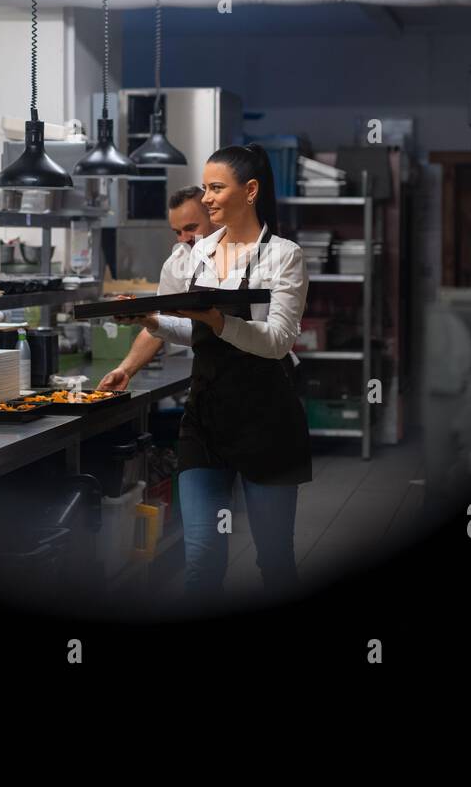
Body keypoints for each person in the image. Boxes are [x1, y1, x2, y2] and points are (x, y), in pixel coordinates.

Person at [113, 143, 312, 602]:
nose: (206, 197)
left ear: (251, 190)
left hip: (267, 425)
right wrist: (150, 320)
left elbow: (279, 340)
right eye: (205, 187)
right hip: (204, 421)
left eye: (216, 187)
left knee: (275, 559)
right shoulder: (196, 254)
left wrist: (216, 321)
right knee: (202, 556)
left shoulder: (283, 257)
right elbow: (189, 331)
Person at [97, 185, 213, 391]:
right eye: (177, 232)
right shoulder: (177, 263)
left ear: (213, 216)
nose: (183, 238)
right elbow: (162, 325)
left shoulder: (244, 254)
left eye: (191, 228)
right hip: (209, 376)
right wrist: (125, 370)